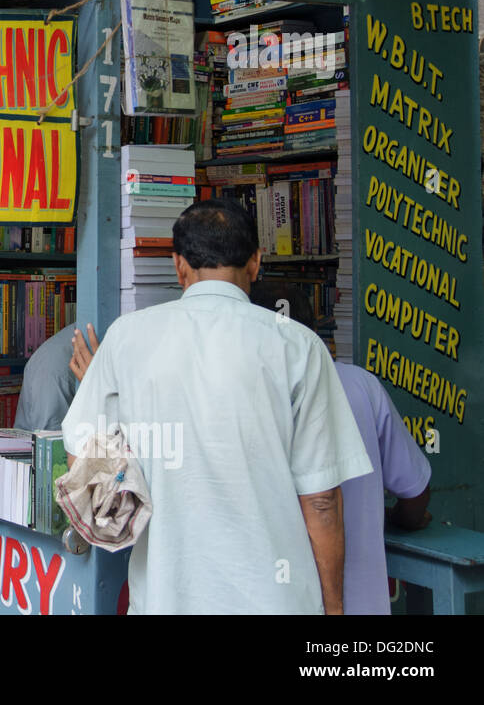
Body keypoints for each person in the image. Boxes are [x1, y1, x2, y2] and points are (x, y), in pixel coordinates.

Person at [60, 198, 372, 614]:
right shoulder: (299, 346)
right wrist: (334, 608)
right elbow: (321, 500)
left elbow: (81, 456)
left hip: (166, 597)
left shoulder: (126, 338)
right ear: (256, 263)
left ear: (179, 266)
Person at [249, 280, 433, 615]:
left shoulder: (244, 394)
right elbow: (415, 490)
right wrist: (400, 518)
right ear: (314, 329)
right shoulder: (361, 385)